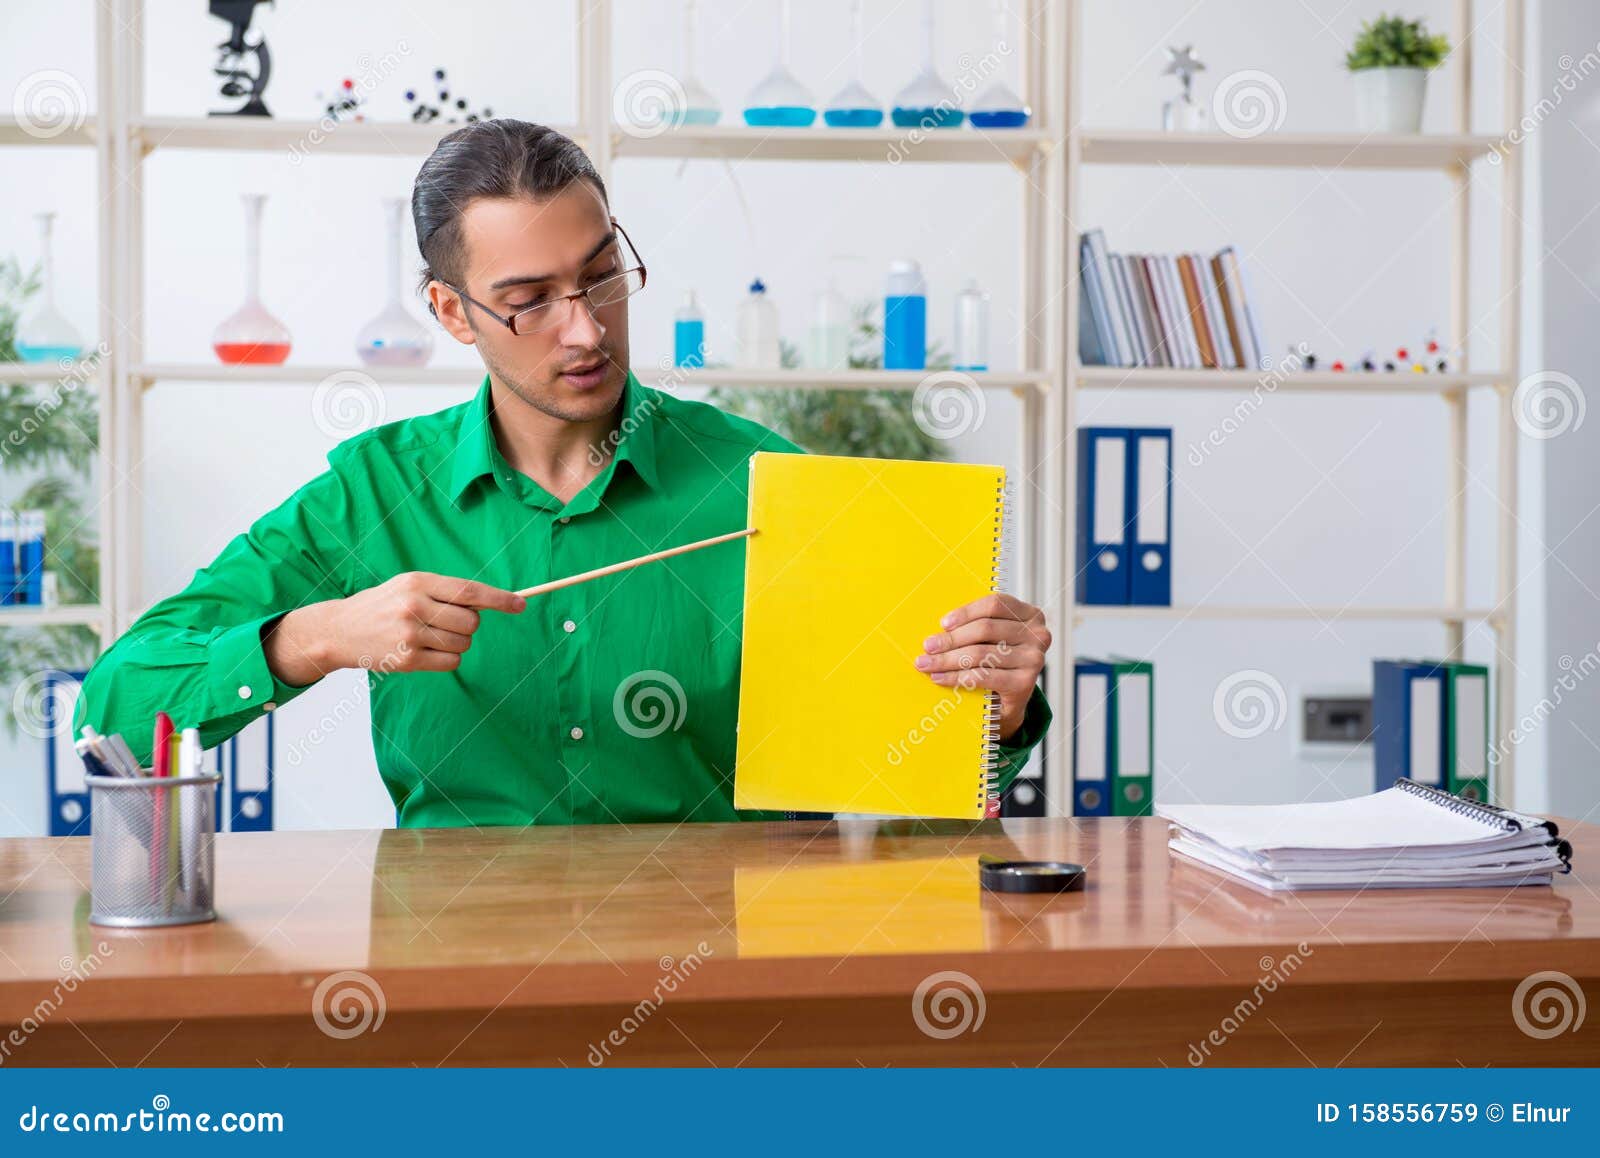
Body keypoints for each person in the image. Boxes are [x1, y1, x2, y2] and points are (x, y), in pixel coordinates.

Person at [75, 119, 1051, 827]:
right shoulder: (371, 494)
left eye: (598, 276)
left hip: (723, 976)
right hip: (460, 977)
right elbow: (113, 708)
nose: (585, 328)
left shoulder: (768, 480)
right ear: (452, 313)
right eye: (528, 300)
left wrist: (993, 702)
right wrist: (321, 635)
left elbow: (914, 774)